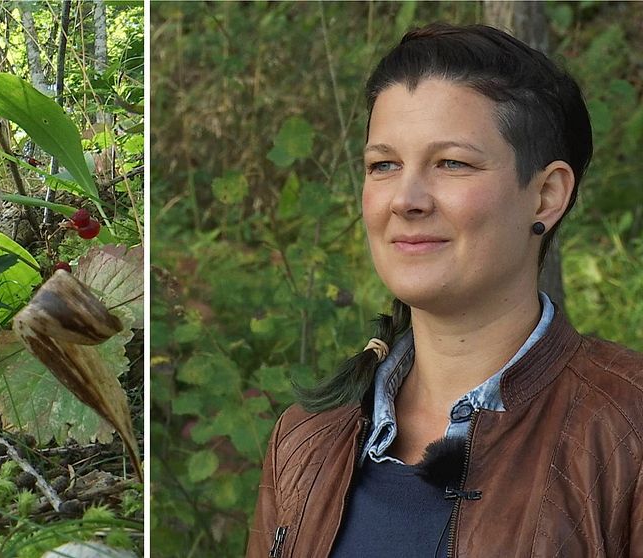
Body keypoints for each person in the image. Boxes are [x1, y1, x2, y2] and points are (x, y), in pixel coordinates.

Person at [247, 23, 643, 558]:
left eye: (451, 163)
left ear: (546, 196)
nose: (406, 199)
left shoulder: (625, 433)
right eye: (383, 165)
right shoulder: (307, 439)